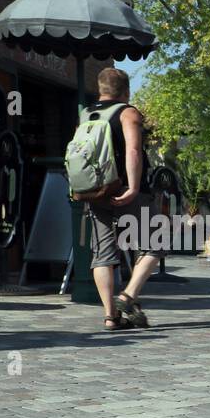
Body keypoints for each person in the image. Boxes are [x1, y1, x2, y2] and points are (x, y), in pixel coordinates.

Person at [83, 68, 156, 332]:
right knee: (155, 244)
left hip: (97, 191)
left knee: (103, 254)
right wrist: (134, 187)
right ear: (126, 90)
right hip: (128, 189)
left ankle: (110, 317)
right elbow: (133, 150)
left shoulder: (86, 114)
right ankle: (127, 297)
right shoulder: (128, 112)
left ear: (100, 88)